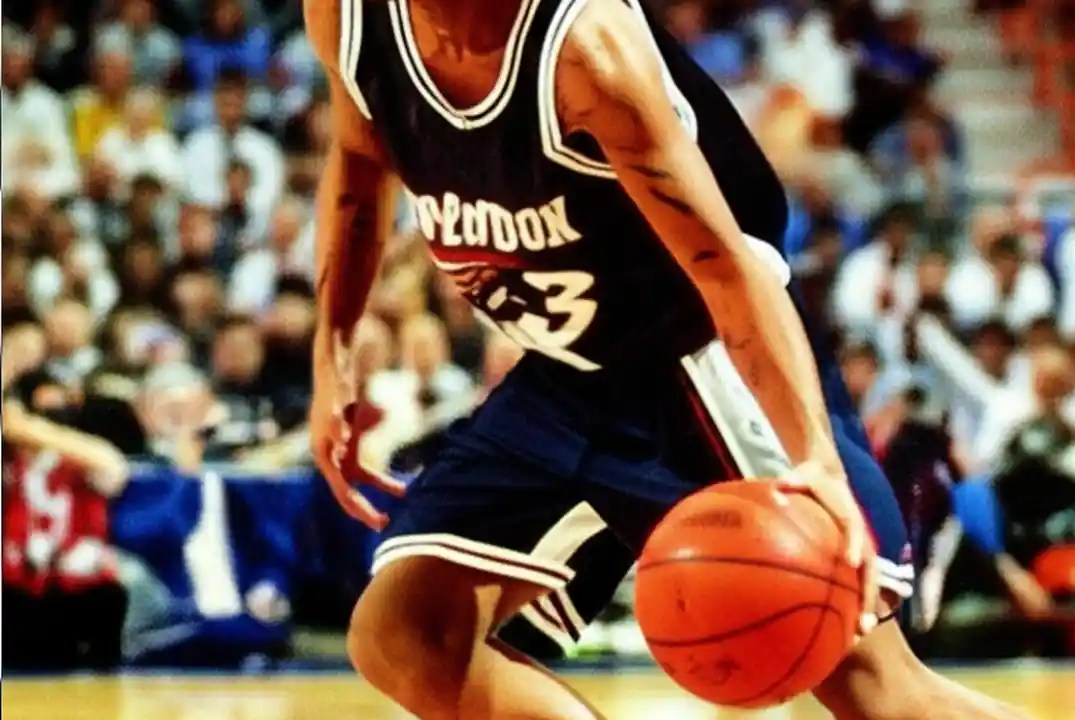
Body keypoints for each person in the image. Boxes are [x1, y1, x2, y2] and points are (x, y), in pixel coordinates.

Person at [304, 1, 1025, 718]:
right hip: (568, 376)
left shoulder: (585, 49)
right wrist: (331, 350)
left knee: (874, 690)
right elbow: (361, 155)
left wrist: (817, 466)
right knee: (408, 634)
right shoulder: (348, 16)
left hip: (701, 356)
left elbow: (725, 267)